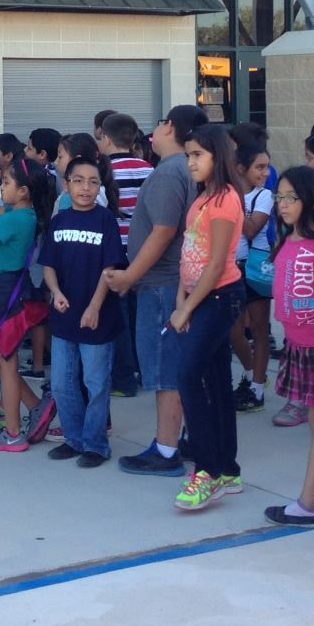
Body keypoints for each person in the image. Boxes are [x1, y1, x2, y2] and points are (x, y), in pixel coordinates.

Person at [105, 104, 203, 477]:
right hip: (174, 282)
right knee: (178, 368)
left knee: (165, 371)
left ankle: (165, 449)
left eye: (161, 123)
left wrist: (130, 276)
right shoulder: (188, 169)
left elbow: (162, 232)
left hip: (162, 285)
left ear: (172, 129)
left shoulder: (168, 173)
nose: (155, 129)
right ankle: (186, 438)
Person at [168, 123, 247, 511]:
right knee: (215, 383)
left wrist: (186, 307)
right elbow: (190, 256)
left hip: (219, 298)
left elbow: (216, 264)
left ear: (217, 156)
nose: (191, 162)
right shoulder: (203, 198)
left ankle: (208, 471)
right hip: (201, 298)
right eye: (187, 155)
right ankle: (226, 469)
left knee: (188, 376)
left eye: (198, 154)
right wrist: (182, 297)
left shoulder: (226, 199)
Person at [261, 165, 314, 526]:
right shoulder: (286, 240)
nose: (283, 204)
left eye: (291, 197)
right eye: (279, 197)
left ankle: (307, 504)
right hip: (298, 344)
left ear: (310, 199)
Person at [40, 155, 126, 468]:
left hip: (97, 318)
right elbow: (48, 264)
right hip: (64, 316)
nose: (85, 188)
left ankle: (95, 444)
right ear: (67, 185)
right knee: (63, 382)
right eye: (78, 181)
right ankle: (73, 438)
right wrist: (56, 292)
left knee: (96, 382)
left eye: (93, 182)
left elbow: (110, 266)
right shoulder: (59, 221)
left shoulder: (105, 220)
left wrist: (94, 307)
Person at [0, 158, 53, 449]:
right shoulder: (21, 214)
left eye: (6, 183)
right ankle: (34, 406)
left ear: (24, 191)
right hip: (2, 288)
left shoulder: (15, 219)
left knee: (3, 359)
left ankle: (13, 433)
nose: (1, 187)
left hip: (4, 292)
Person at [102, 113, 152, 397]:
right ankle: (144, 369)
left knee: (117, 313)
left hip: (114, 251)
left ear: (106, 139)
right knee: (140, 314)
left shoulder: (104, 170)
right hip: (143, 252)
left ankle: (122, 377)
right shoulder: (149, 169)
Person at [230, 140, 274, 413]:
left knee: (259, 329)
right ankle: (250, 373)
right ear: (241, 168)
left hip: (255, 268)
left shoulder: (264, 196)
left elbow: (249, 229)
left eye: (267, 167)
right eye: (259, 167)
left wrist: (229, 206)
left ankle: (257, 387)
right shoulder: (231, 194)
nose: (265, 173)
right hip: (231, 267)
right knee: (234, 332)